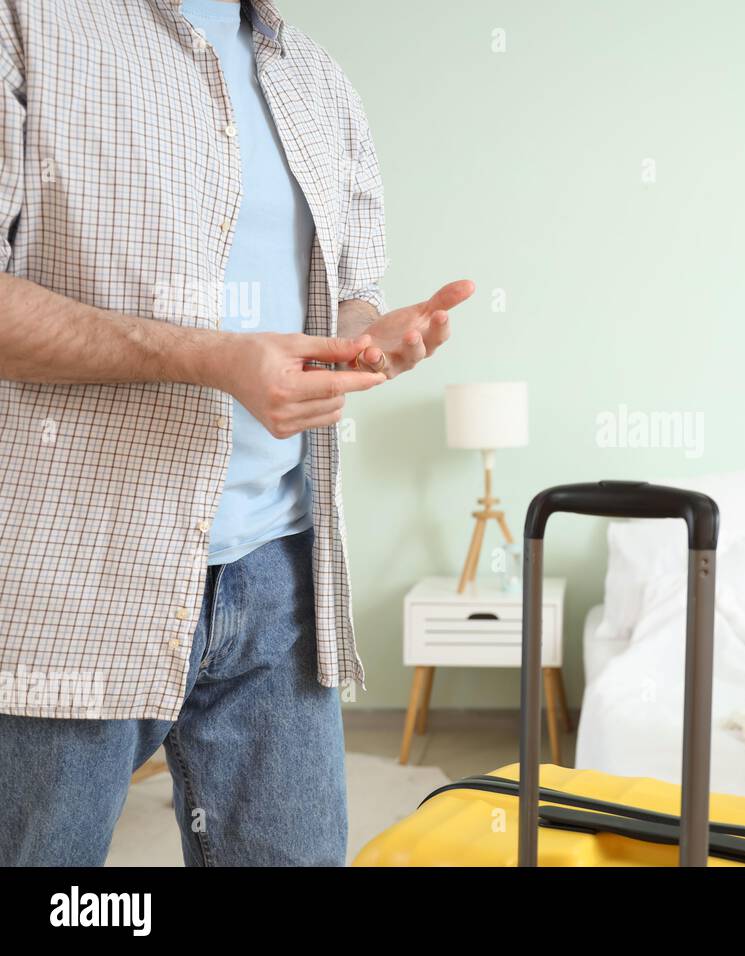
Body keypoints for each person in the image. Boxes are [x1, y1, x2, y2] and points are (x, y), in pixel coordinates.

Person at [0, 0, 471, 865]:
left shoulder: (317, 79)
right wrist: (213, 359)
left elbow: (348, 291)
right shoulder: (29, 24)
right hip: (69, 574)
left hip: (278, 571)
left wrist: (367, 342)